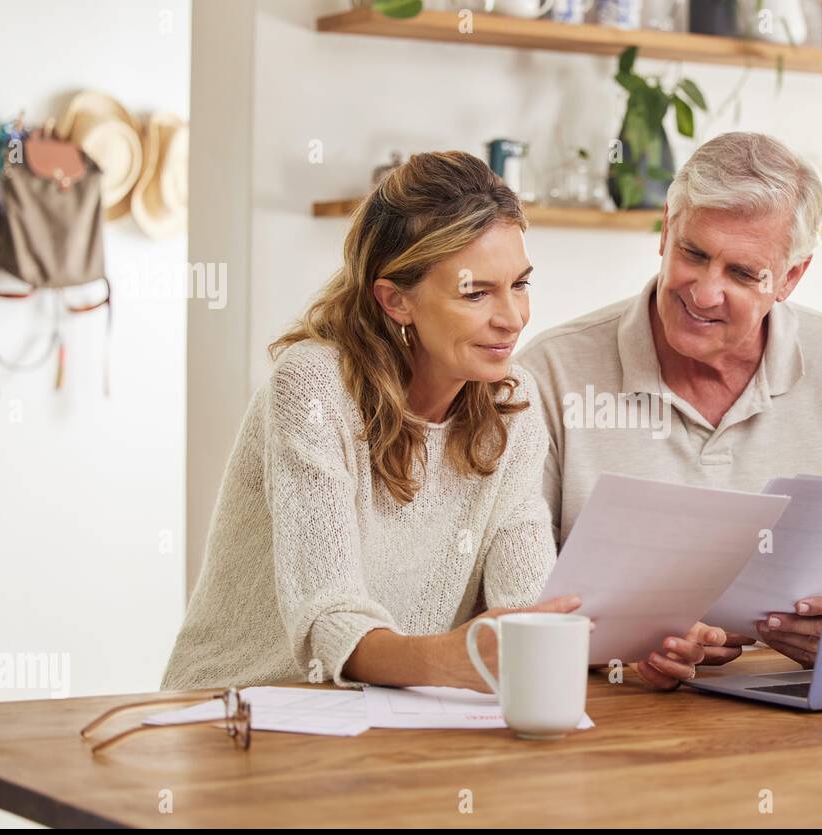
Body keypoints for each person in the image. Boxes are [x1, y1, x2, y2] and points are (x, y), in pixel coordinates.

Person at [162, 151, 717, 692]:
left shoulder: (510, 402)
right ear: (395, 300)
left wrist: (623, 643)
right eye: (476, 293)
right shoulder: (313, 387)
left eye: (520, 284)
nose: (512, 318)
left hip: (387, 723)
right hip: (238, 712)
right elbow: (328, 619)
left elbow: (527, 600)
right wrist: (449, 659)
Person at [519, 132, 822, 687]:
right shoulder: (550, 370)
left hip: (806, 718)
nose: (705, 293)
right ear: (666, 231)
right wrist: (612, 650)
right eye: (693, 254)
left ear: (790, 277)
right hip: (610, 717)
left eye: (742, 274)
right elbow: (514, 597)